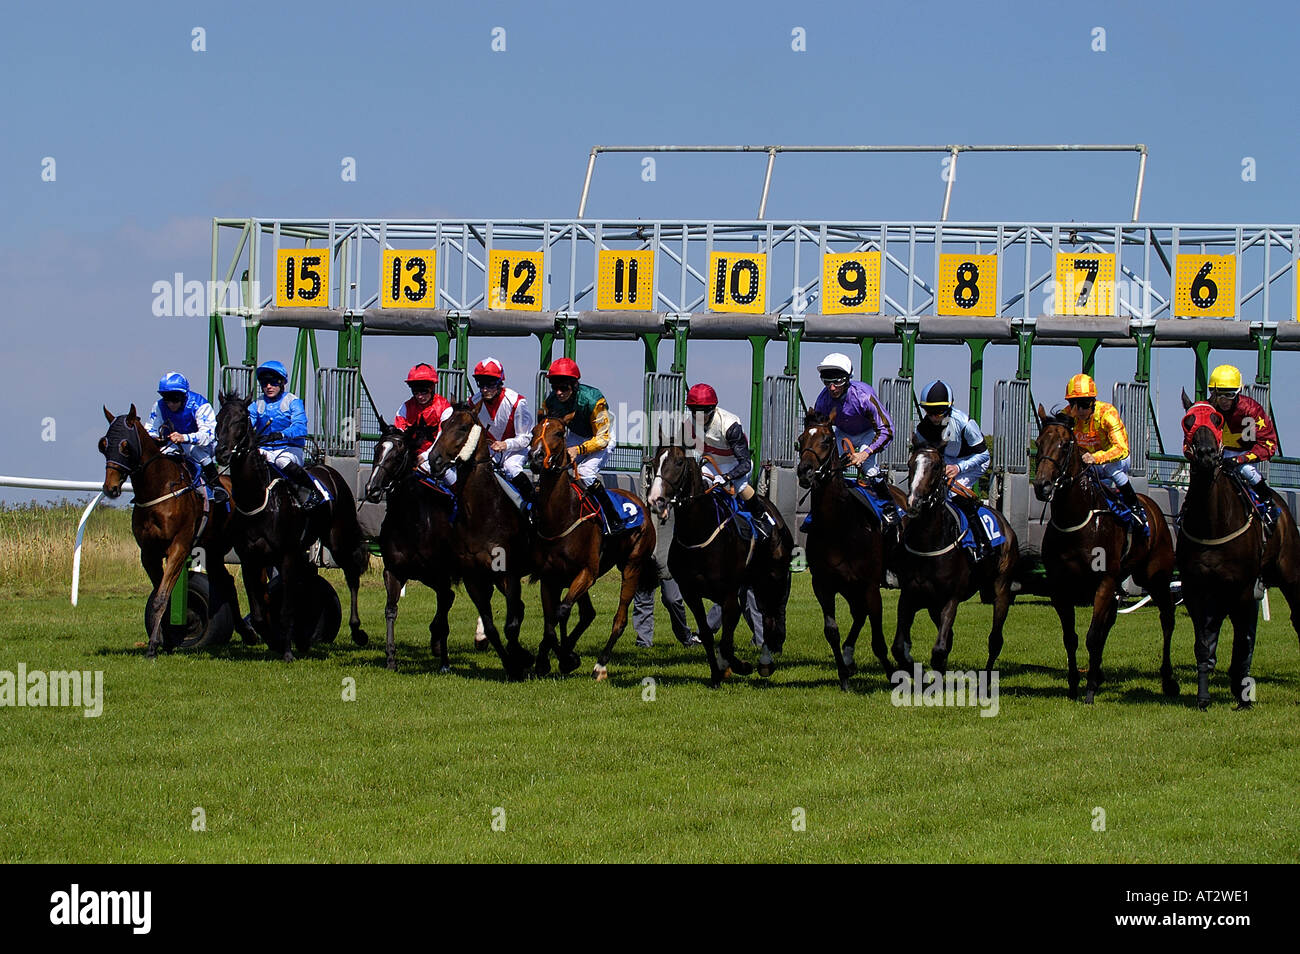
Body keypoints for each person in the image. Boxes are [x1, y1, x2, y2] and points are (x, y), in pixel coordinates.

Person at [541, 357, 627, 535]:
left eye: (563, 387)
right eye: (555, 387)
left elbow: (602, 439)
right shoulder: (550, 402)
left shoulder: (594, 399)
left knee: (586, 472)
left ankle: (613, 517)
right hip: (576, 435)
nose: (558, 393)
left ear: (574, 385)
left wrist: (577, 450)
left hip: (602, 437)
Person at [810, 352, 899, 526]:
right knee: (825, 469)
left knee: (869, 469)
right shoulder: (823, 400)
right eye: (827, 382)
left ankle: (889, 508)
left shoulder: (863, 396)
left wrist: (865, 453)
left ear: (848, 379)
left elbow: (887, 430)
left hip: (868, 433)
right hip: (842, 433)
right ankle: (817, 512)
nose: (832, 388)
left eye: (838, 382)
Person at [915, 379, 992, 559]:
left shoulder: (965, 423)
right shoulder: (923, 428)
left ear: (949, 408)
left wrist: (958, 468)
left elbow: (985, 455)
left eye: (939, 411)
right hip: (947, 461)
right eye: (929, 411)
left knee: (952, 495)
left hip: (972, 462)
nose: (934, 416)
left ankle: (982, 543)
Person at [1061, 373, 1145, 530]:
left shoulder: (1107, 413)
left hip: (1116, 461)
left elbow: (1122, 449)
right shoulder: (1067, 414)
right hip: (1088, 463)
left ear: (1093, 401)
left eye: (1084, 404)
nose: (1079, 410)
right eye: (1074, 403)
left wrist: (1096, 458)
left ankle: (1135, 508)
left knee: (1110, 468)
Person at [682, 383, 768, 525]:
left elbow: (745, 463)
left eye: (703, 412)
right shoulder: (688, 424)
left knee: (740, 486)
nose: (698, 417)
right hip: (711, 465)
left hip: (735, 464)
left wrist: (727, 477)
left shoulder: (729, 425)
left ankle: (761, 517)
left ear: (712, 409)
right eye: (694, 411)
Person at [1207, 363, 1279, 528]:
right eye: (1218, 395)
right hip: (1219, 453)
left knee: (1246, 470)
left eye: (1230, 395)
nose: (1223, 401)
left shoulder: (1251, 411)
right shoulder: (1209, 409)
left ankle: (1268, 503)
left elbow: (1268, 444)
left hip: (1244, 454)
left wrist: (1240, 459)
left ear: (1238, 392)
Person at [248, 360, 323, 509]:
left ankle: (314, 491)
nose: (268, 386)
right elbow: (248, 423)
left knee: (281, 462)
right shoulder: (257, 403)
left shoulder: (293, 401)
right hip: (265, 449)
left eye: (272, 382)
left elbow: (300, 428)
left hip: (289, 449)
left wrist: (281, 435)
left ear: (281, 382)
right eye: (264, 383)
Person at [144, 372, 225, 503]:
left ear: (184, 395)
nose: (170, 403)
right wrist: (156, 438)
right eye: (166, 398)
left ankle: (216, 487)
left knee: (198, 453)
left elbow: (209, 435)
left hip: (201, 445)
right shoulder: (159, 406)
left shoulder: (200, 405)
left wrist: (184, 437)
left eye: (174, 398)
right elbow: (150, 429)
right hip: (173, 444)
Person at [468, 357, 534, 501]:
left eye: (490, 384)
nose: (485, 389)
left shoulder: (517, 402)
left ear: (499, 383)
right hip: (491, 450)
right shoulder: (473, 402)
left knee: (511, 468)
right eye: (481, 384)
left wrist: (505, 444)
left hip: (515, 450)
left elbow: (526, 438)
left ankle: (532, 505)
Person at [394, 362, 453, 481]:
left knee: (448, 474)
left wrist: (425, 456)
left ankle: (458, 497)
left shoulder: (445, 407)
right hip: (411, 457)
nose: (420, 396)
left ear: (432, 389)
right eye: (416, 392)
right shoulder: (405, 408)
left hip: (437, 456)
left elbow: (442, 438)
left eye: (424, 392)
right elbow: (398, 434)